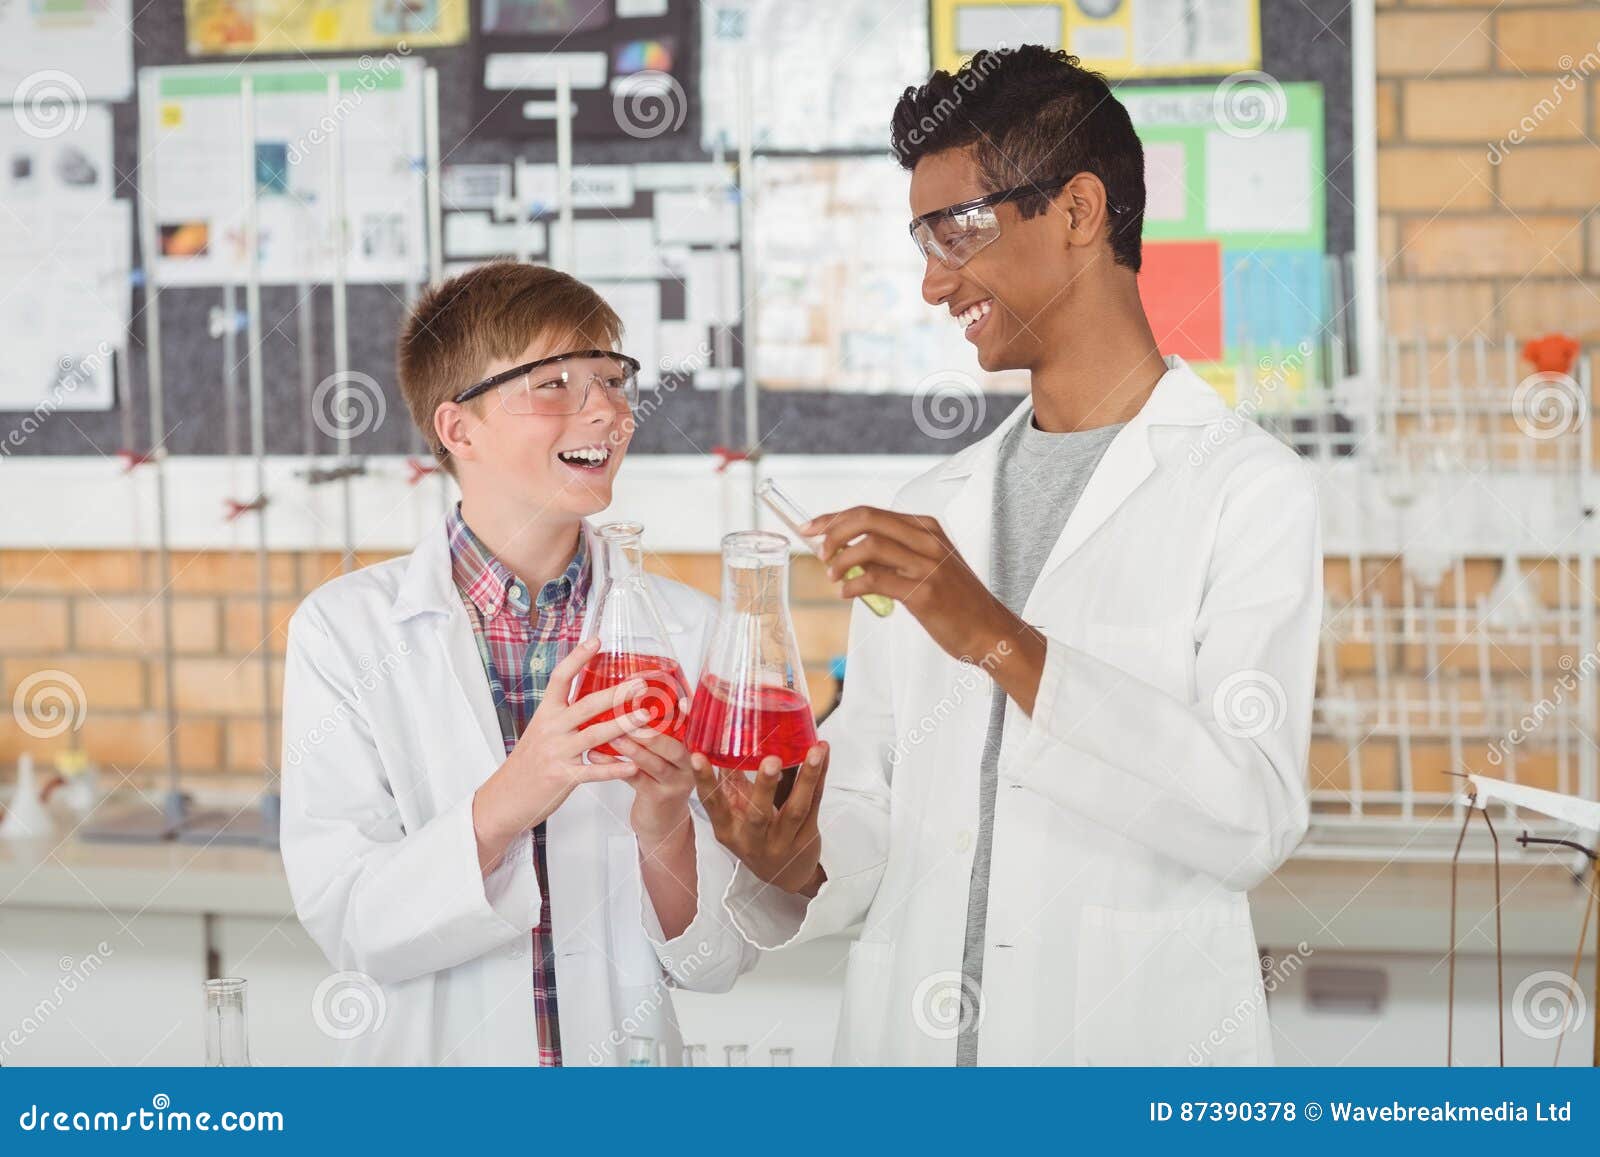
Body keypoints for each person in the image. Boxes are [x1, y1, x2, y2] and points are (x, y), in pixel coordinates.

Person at [692, 46, 1322, 1066]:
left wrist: (990, 633)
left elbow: (1249, 816)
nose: (936, 280)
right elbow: (873, 798)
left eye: (956, 231)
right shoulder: (931, 506)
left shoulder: (1243, 490)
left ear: (1077, 212)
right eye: (922, 239)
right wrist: (793, 851)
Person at [279, 262, 756, 1065]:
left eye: (611, 377)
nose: (605, 408)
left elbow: (717, 961)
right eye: (556, 383)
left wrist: (665, 827)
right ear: (458, 429)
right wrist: (510, 797)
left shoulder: (690, 632)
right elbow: (352, 921)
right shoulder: (344, 633)